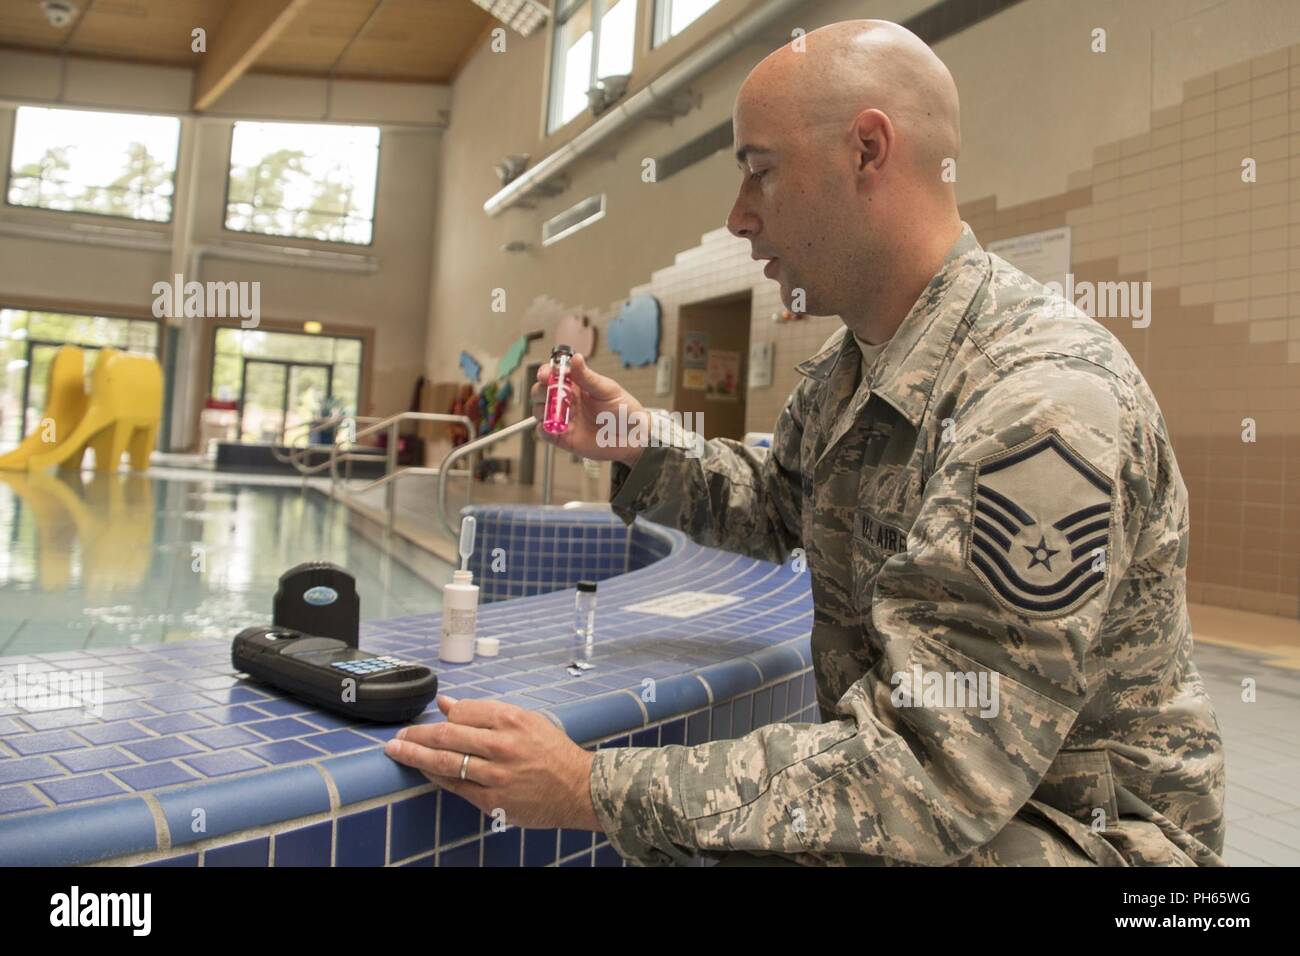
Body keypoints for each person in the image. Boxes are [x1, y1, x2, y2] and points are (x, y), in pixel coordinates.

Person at [385, 18, 1225, 867]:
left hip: (1098, 844)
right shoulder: (850, 368)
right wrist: (638, 444)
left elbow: (926, 772)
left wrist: (587, 786)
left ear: (868, 150)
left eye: (759, 171)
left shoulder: (1038, 401)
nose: (739, 217)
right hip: (977, 814)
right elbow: (782, 501)